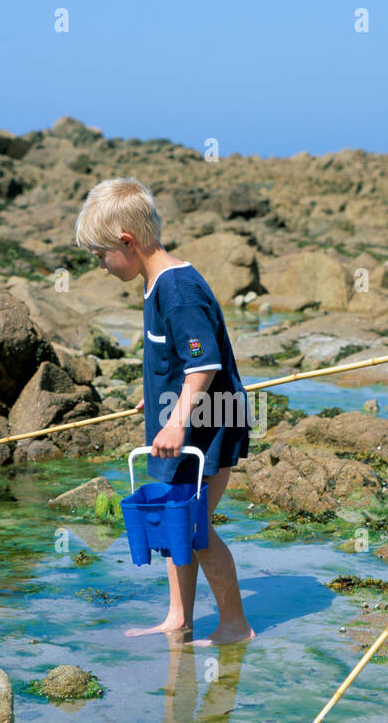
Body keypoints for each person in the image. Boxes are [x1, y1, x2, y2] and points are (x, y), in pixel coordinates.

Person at [75, 176, 254, 644]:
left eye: (100, 256)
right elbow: (173, 360)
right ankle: (179, 616)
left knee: (194, 526)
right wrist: (156, 396)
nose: (100, 267)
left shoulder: (178, 291)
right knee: (180, 523)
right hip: (188, 414)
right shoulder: (154, 283)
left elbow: (204, 362)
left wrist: (176, 419)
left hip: (211, 422)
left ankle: (236, 624)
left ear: (126, 242)